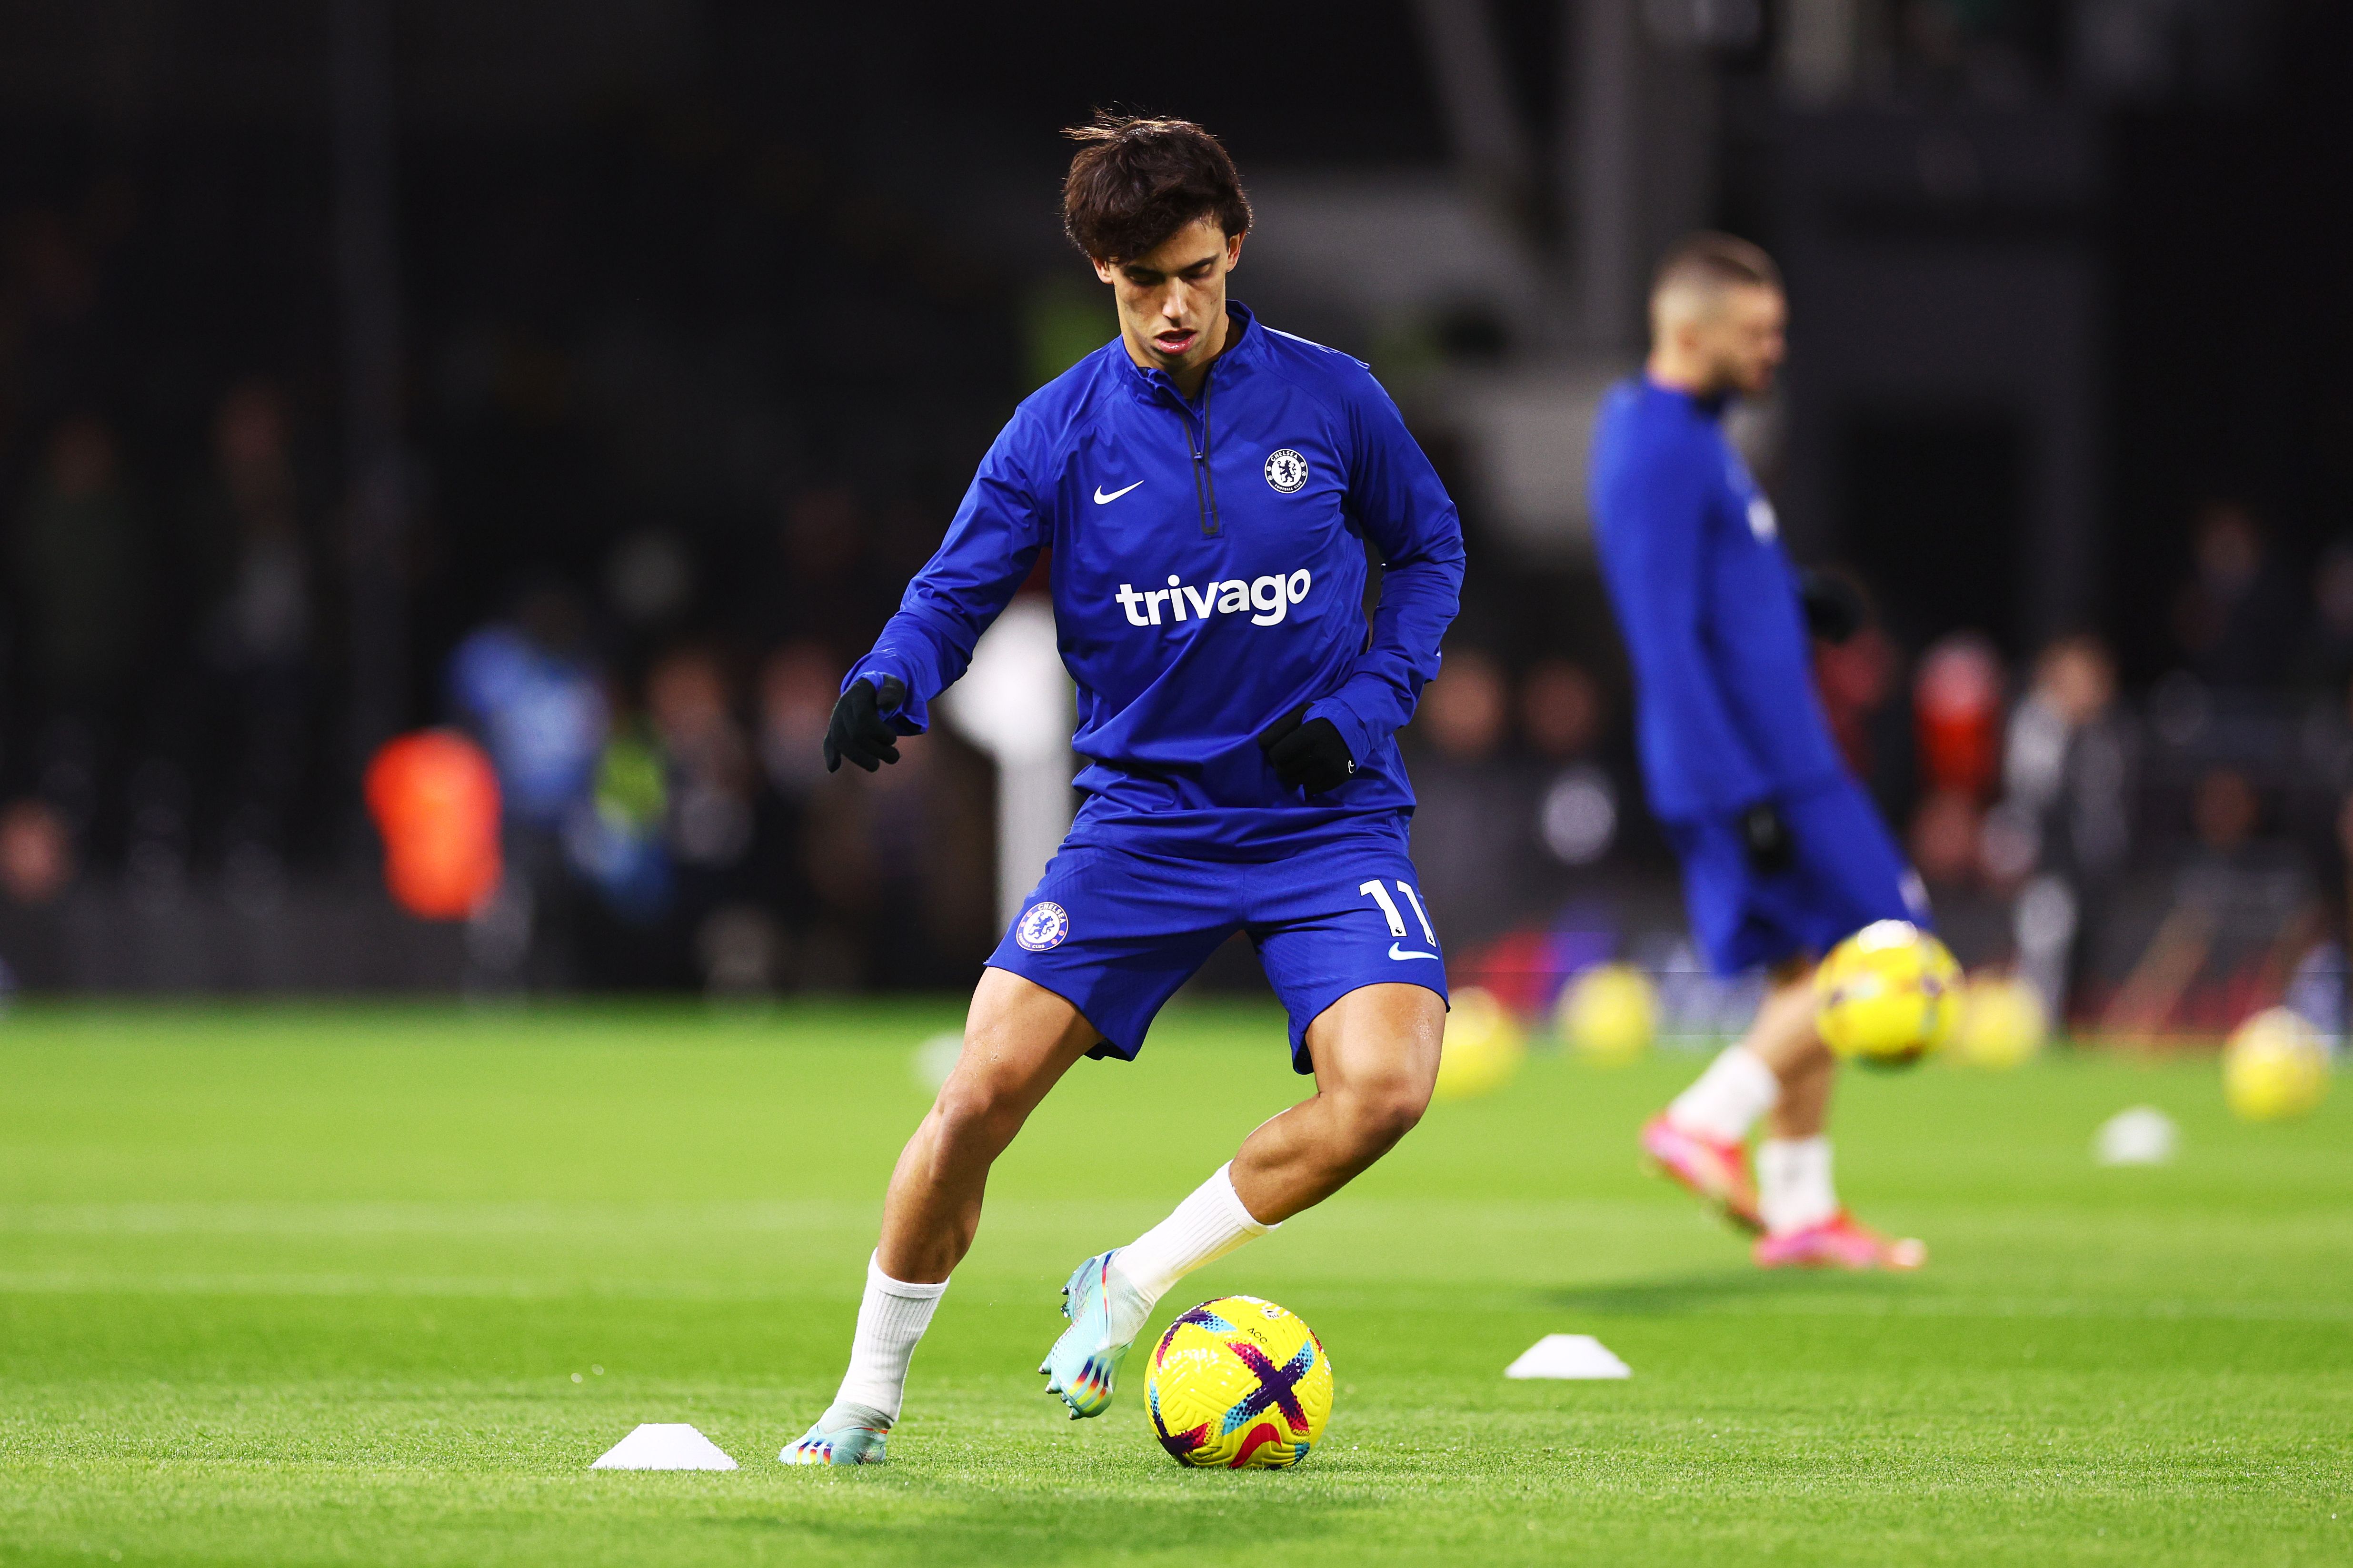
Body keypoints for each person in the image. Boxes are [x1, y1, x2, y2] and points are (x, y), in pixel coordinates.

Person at [783, 115, 1464, 1464]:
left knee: (1385, 1088)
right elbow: (953, 589)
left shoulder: (1334, 399)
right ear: (1099, 271)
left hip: (1321, 821)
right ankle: (863, 1395)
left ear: (1235, 246)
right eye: (1139, 280)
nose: (1171, 307)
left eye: (1194, 273)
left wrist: (1363, 707)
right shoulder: (1054, 431)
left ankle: (1133, 1278)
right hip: (1143, 824)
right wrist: (885, 678)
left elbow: (1428, 553)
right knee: (975, 1094)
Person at [1589, 233, 1929, 1271]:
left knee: (1803, 976)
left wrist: (1794, 600)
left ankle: (1799, 1212)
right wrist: (1742, 794)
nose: (1775, 348)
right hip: (1758, 766)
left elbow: (1716, 586)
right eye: (1757, 332)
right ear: (1691, 333)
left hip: (1763, 757)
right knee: (1888, 948)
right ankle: (1701, 1120)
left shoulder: (1686, 435)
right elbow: (1661, 638)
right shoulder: (1657, 447)